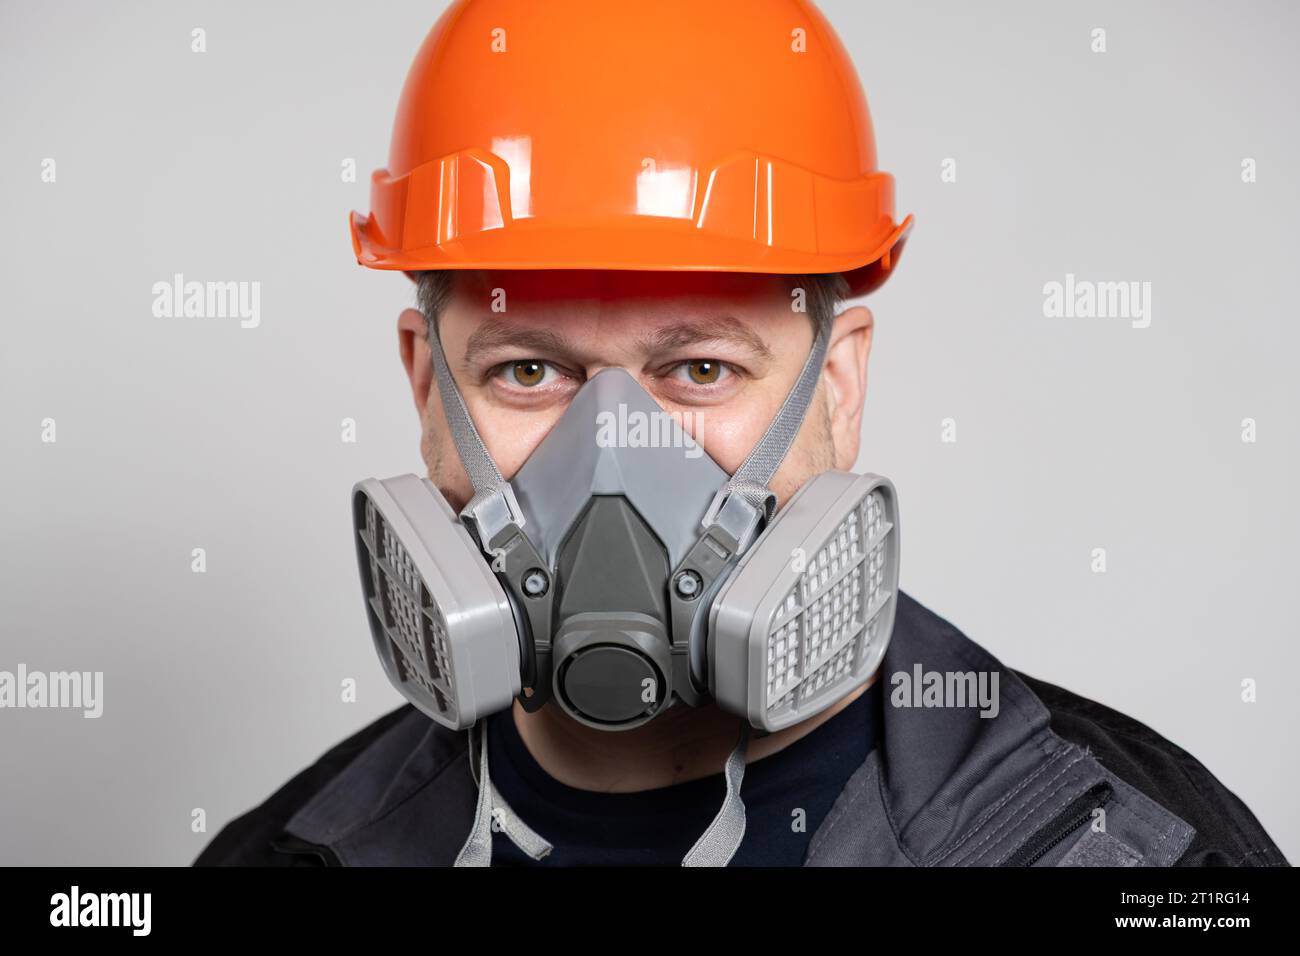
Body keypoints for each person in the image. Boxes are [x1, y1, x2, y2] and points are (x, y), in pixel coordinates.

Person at [195, 0, 1285, 867]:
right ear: (427, 384)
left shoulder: (1132, 855)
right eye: (528, 369)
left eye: (699, 368)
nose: (611, 452)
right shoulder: (294, 851)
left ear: (839, 384)